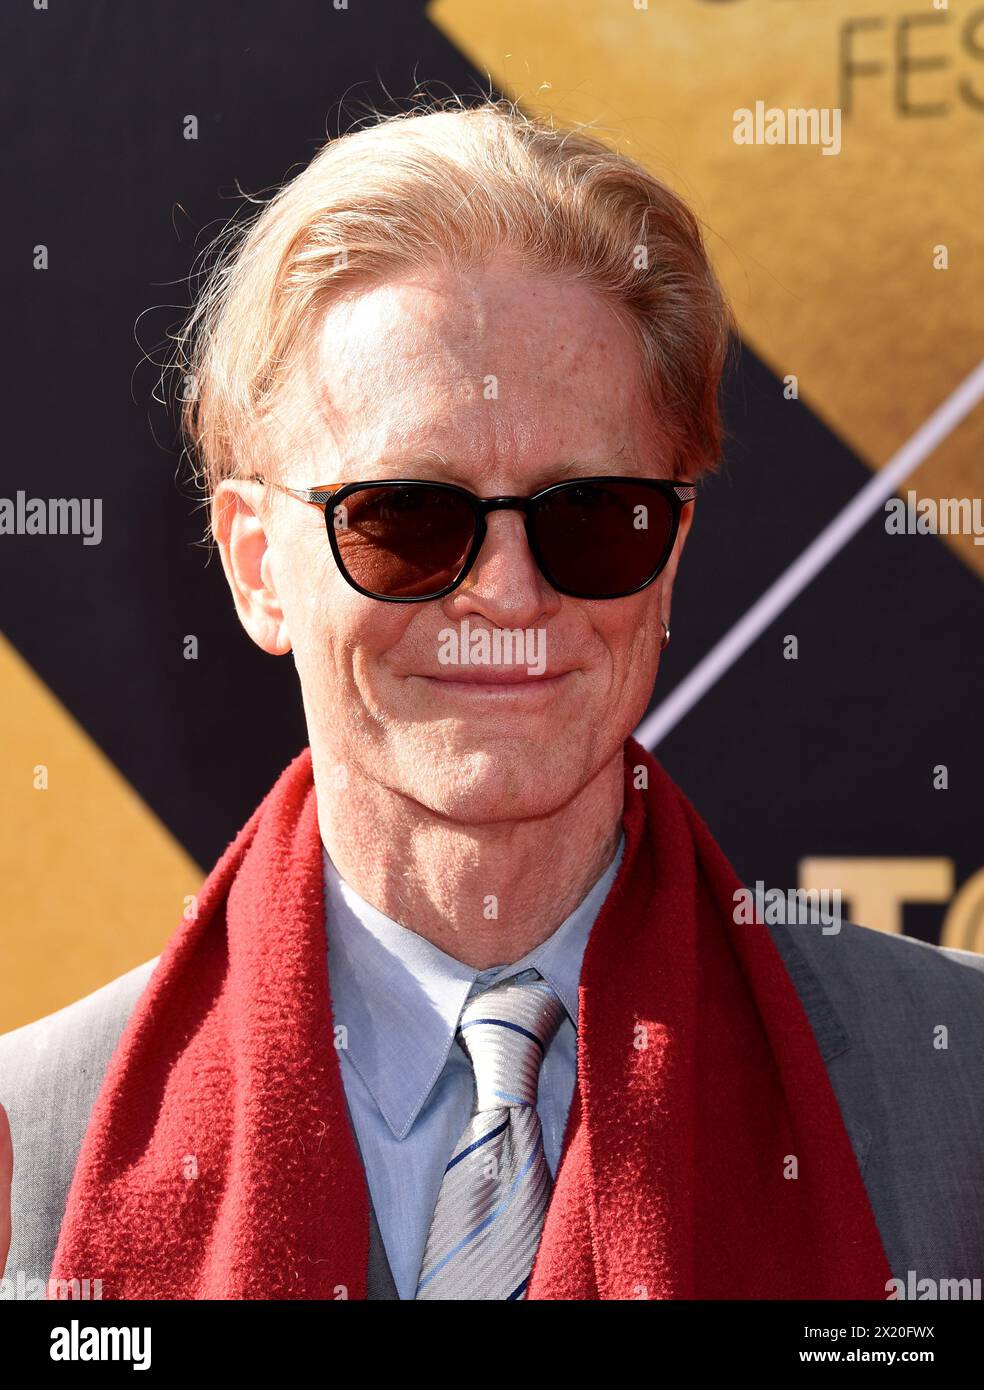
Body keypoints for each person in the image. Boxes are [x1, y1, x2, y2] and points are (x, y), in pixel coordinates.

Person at [2, 98, 982, 1303]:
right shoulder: (30, 1147)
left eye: (590, 515)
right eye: (406, 515)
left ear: (668, 554)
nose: (507, 591)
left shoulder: (962, 1095)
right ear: (258, 565)